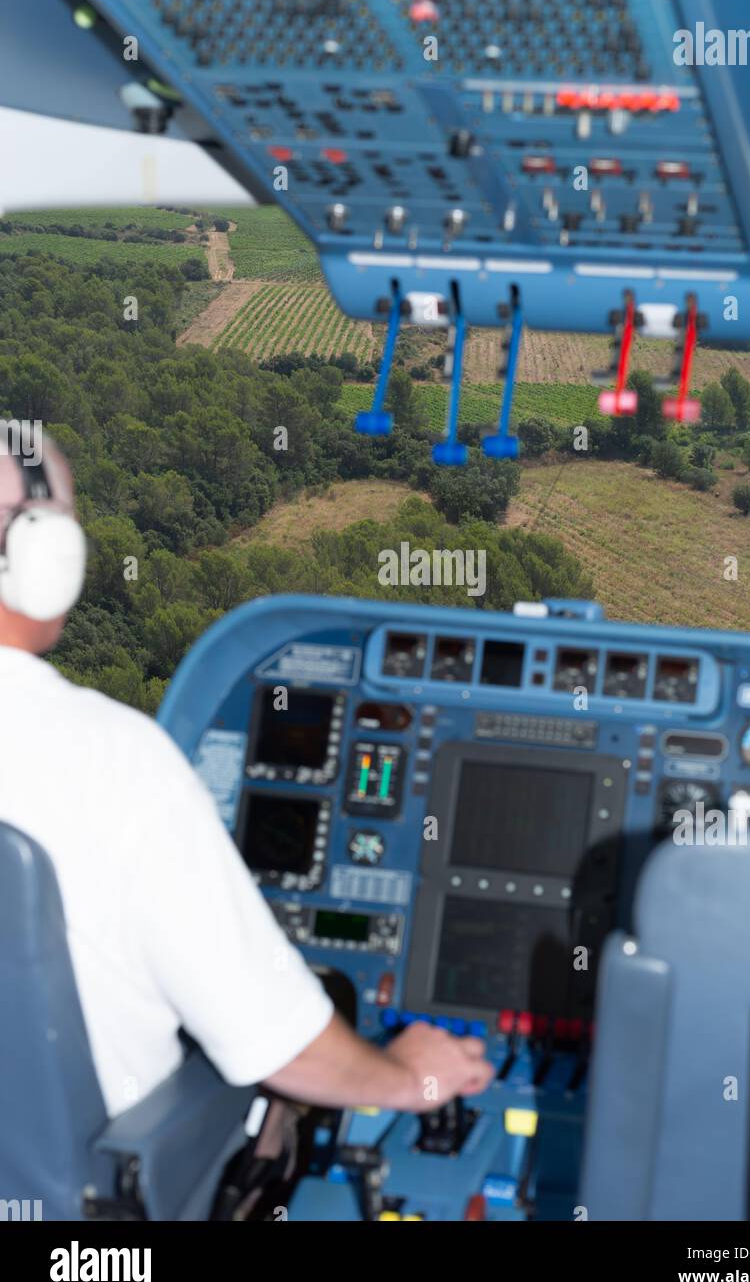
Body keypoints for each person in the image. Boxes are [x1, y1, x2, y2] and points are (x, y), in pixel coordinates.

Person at [0, 434, 493, 1118]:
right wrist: (409, 1077)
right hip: (95, 1197)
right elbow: (282, 1047)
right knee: (275, 1113)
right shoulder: (110, 759)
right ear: (42, 555)